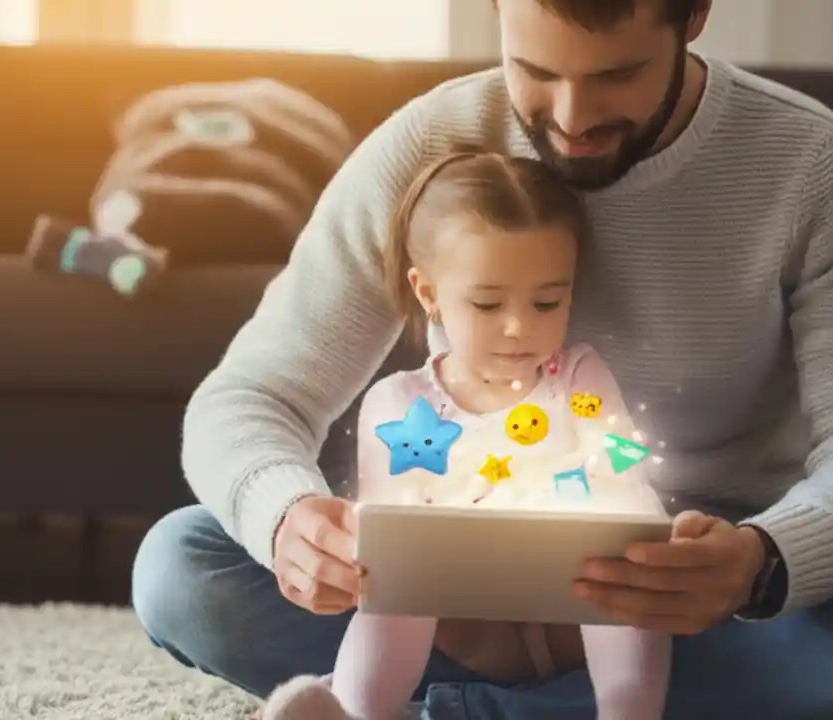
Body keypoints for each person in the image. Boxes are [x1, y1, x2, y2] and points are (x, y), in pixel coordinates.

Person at [133, 0, 833, 717]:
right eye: (535, 70)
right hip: (445, 591)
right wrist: (285, 520)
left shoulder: (823, 172)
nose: (569, 115)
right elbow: (248, 397)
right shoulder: (424, 149)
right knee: (182, 564)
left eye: (617, 75)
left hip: (700, 587)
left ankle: (421, 708)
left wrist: (762, 563)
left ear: (695, 19)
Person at [261, 151, 673, 720]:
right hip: (458, 622)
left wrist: (582, 486)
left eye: (547, 302)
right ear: (428, 294)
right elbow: (391, 531)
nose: (519, 327)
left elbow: (623, 459)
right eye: (487, 303)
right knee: (389, 596)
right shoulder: (400, 403)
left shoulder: (576, 377)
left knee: (633, 592)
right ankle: (358, 710)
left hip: (574, 602)